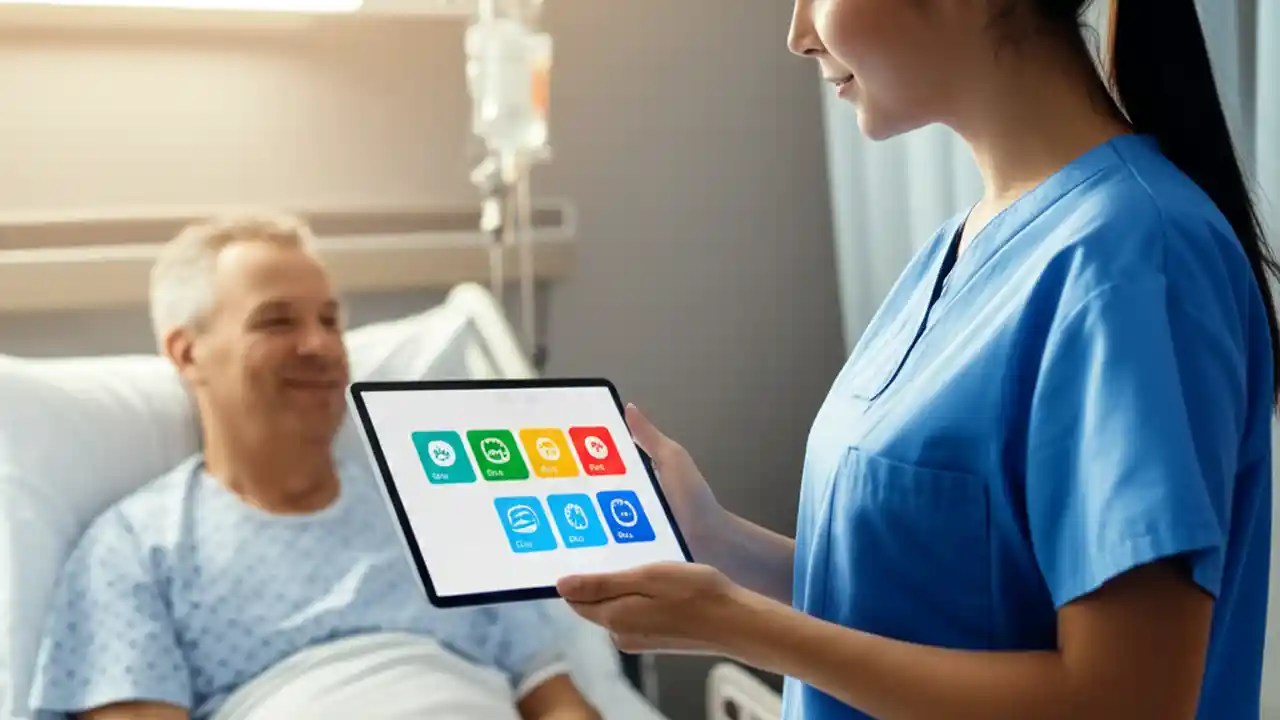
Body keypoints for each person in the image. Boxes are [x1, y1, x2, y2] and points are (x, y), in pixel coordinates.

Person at [557, 1, 1276, 719]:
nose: (798, 36)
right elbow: (924, 601)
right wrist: (718, 542)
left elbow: (1125, 703)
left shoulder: (1132, 262)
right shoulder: (963, 246)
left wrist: (741, 627)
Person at [28, 214, 600, 720]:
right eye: (277, 322)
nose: (320, 346)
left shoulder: (433, 508)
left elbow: (555, 698)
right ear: (187, 352)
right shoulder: (134, 550)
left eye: (330, 321)